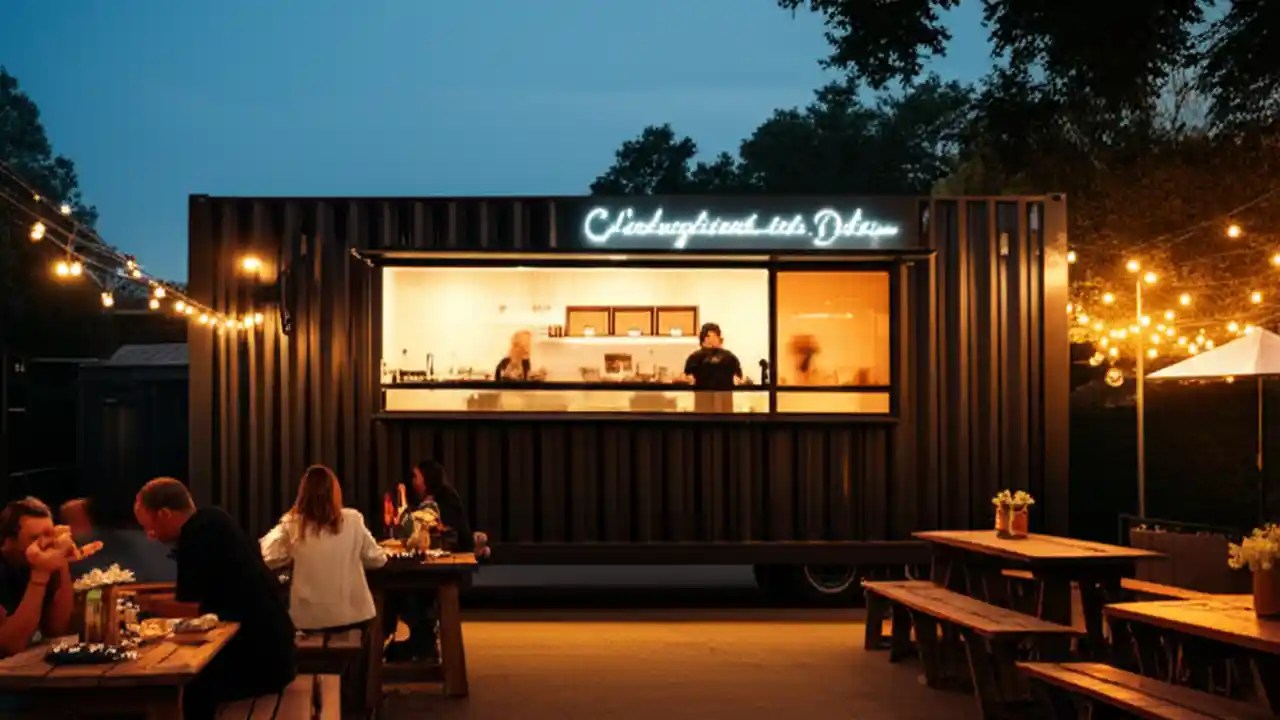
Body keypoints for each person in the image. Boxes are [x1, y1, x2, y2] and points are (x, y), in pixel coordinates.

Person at [133, 478, 295, 720]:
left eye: (150, 527)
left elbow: (190, 607)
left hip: (260, 663)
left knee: (188, 693)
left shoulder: (195, 535)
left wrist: (143, 606)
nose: (150, 536)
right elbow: (198, 596)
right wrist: (150, 601)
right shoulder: (213, 520)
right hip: (276, 653)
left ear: (165, 514)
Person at [260, 465, 388, 631]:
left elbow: (267, 557)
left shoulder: (291, 524)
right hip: (351, 619)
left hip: (307, 621)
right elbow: (378, 559)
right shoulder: (353, 520)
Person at [384, 460, 476, 662]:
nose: (413, 481)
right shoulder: (429, 501)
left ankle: (420, 643)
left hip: (450, 571)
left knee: (404, 591)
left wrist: (403, 505)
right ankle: (420, 642)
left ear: (427, 479)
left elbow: (435, 533)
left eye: (416, 477)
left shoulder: (443, 501)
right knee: (398, 590)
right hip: (432, 568)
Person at [0, 498, 83, 657]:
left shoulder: (33, 564)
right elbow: (8, 645)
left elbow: (56, 629)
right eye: (35, 538)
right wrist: (40, 575)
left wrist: (61, 560)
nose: (45, 544)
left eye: (49, 536)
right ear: (8, 542)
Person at [682, 322, 744, 390]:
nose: (712, 340)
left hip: (722, 394)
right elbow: (686, 377)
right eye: (709, 336)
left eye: (715, 336)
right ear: (704, 339)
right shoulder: (695, 357)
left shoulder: (729, 357)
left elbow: (738, 377)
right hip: (703, 394)